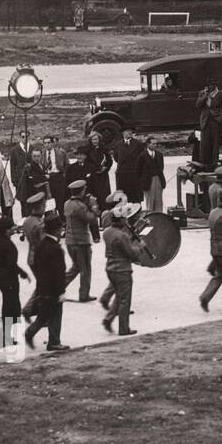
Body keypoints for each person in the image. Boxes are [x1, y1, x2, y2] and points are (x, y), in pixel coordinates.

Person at [102, 203, 155, 335]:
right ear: (120, 220)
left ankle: (109, 319)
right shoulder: (122, 235)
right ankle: (123, 328)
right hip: (122, 270)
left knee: (119, 297)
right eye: (124, 218)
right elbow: (131, 254)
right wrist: (141, 247)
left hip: (110, 268)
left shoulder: (107, 232)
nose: (126, 220)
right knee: (125, 299)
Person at [23, 212, 70, 351]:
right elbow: (59, 272)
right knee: (55, 314)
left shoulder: (40, 245)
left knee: (44, 314)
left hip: (43, 286)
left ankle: (30, 332)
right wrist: (61, 291)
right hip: (53, 289)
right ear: (56, 229)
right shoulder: (55, 248)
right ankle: (54, 341)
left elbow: (37, 266)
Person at [0, 215, 30, 344]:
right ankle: (6, 336)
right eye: (12, 226)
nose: (15, 228)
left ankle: (6, 335)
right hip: (9, 280)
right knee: (10, 307)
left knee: (9, 306)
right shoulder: (6, 244)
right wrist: (22, 272)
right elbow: (10, 264)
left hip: (2, 279)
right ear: (7, 230)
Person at [63, 180, 99, 302]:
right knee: (85, 269)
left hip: (69, 241)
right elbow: (92, 220)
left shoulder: (67, 204)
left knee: (76, 267)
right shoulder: (80, 206)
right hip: (81, 242)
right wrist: (93, 207)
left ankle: (59, 286)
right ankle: (84, 294)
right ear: (82, 191)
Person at [78, 131, 113, 204]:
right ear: (90, 140)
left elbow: (110, 161)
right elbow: (86, 163)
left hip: (103, 176)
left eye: (96, 139)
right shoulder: (87, 150)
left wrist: (105, 168)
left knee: (104, 195)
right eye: (93, 139)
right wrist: (96, 169)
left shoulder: (104, 149)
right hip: (93, 176)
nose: (95, 141)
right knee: (94, 195)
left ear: (99, 140)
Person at [112, 126, 145, 203]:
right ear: (122, 133)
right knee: (123, 198)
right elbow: (116, 158)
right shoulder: (117, 145)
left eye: (130, 131)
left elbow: (142, 159)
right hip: (122, 174)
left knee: (135, 198)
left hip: (134, 173)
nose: (129, 132)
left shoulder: (138, 144)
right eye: (127, 131)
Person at [16, 147, 50, 212]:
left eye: (38, 156)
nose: (36, 158)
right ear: (31, 157)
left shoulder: (42, 165)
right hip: (33, 194)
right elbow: (33, 178)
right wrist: (45, 177)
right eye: (34, 156)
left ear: (41, 156)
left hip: (42, 193)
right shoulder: (30, 167)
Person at [139, 136, 165, 213]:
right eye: (153, 144)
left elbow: (161, 168)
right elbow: (138, 171)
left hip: (158, 180)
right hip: (148, 181)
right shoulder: (142, 156)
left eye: (156, 144)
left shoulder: (160, 155)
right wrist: (142, 182)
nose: (155, 145)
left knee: (159, 202)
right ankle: (150, 220)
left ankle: (159, 219)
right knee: (150, 202)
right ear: (148, 144)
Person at [43, 135, 68, 212]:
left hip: (58, 178)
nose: (47, 145)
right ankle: (52, 221)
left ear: (53, 143)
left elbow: (67, 164)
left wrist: (64, 174)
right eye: (45, 143)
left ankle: (62, 220)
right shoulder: (41, 154)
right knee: (49, 203)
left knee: (60, 201)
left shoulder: (61, 152)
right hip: (48, 179)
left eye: (49, 142)